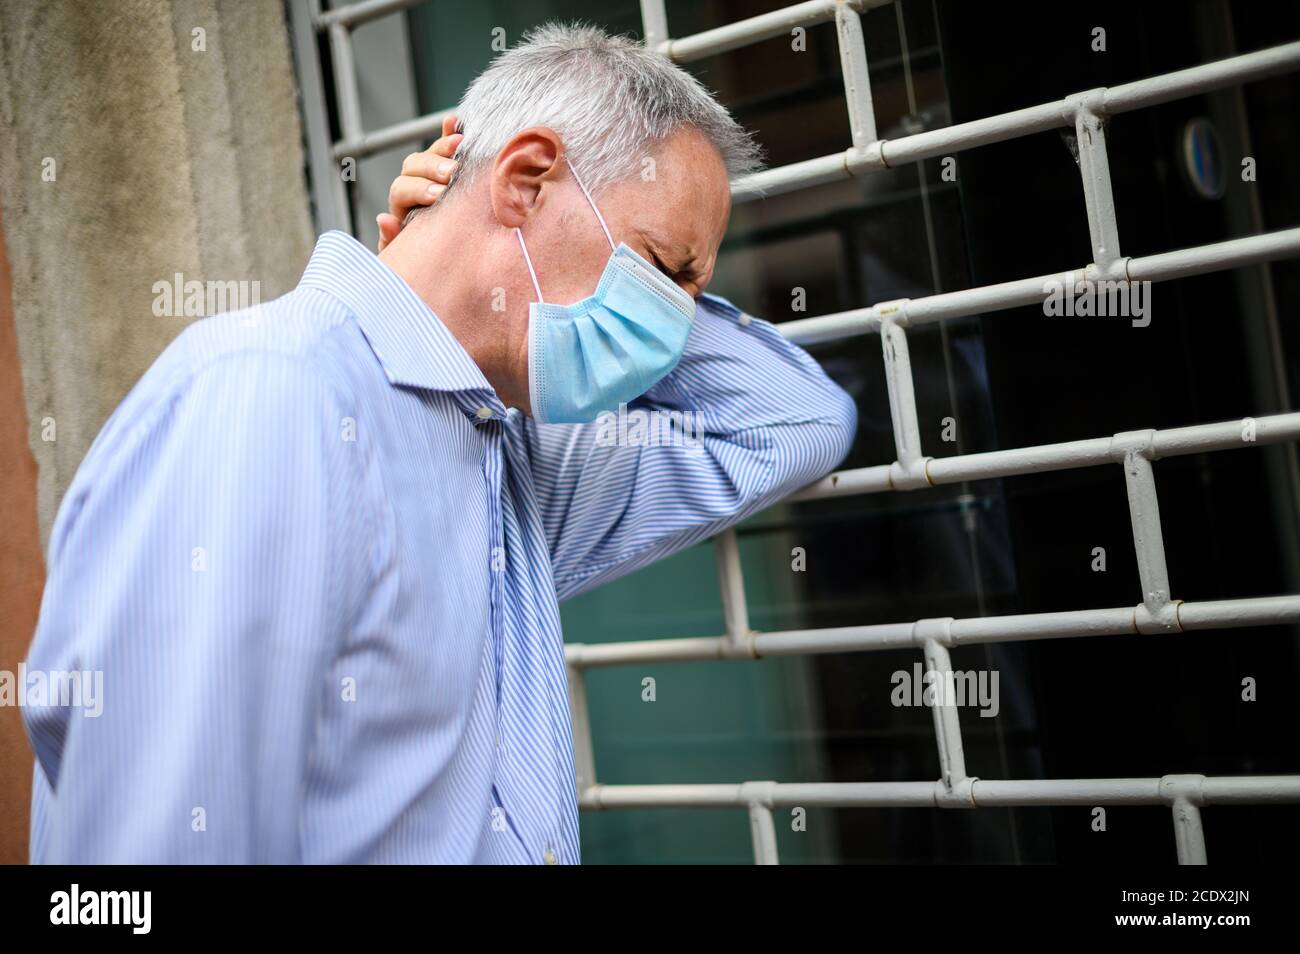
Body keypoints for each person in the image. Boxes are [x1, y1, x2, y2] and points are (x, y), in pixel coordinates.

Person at [23, 23, 857, 863]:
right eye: (663, 270)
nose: (672, 325)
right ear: (527, 180)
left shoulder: (515, 457)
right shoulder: (274, 393)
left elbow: (793, 419)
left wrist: (653, 285)